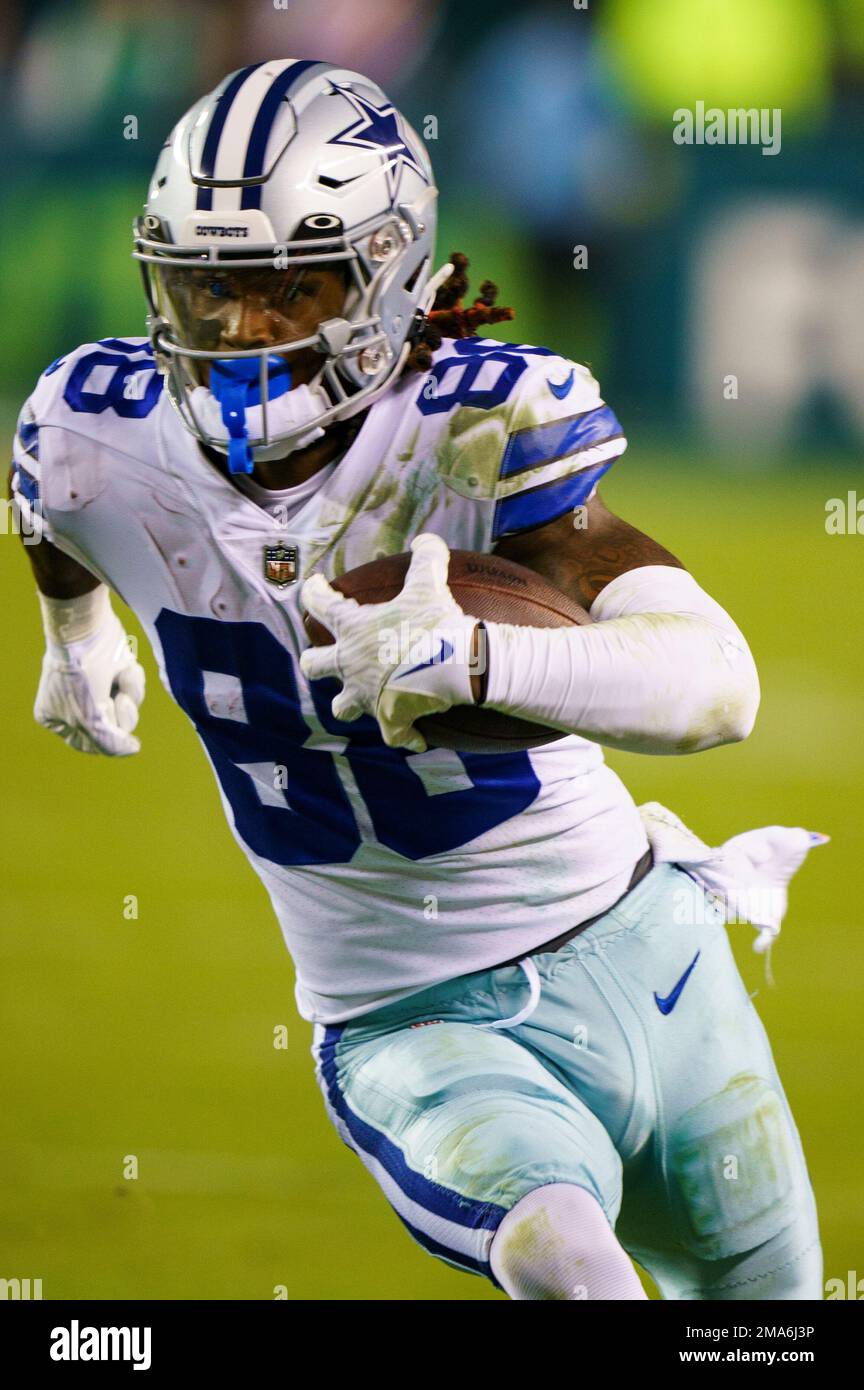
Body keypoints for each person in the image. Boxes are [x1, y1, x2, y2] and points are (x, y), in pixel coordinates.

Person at [11, 59, 824, 1300]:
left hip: (651, 946)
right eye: (206, 287)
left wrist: (479, 655)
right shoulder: (94, 428)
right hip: (409, 1017)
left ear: (385, 271)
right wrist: (77, 638)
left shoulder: (477, 430)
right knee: (572, 1269)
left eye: (290, 290)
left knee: (769, 1317)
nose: (238, 332)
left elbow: (723, 688)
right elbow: (47, 506)